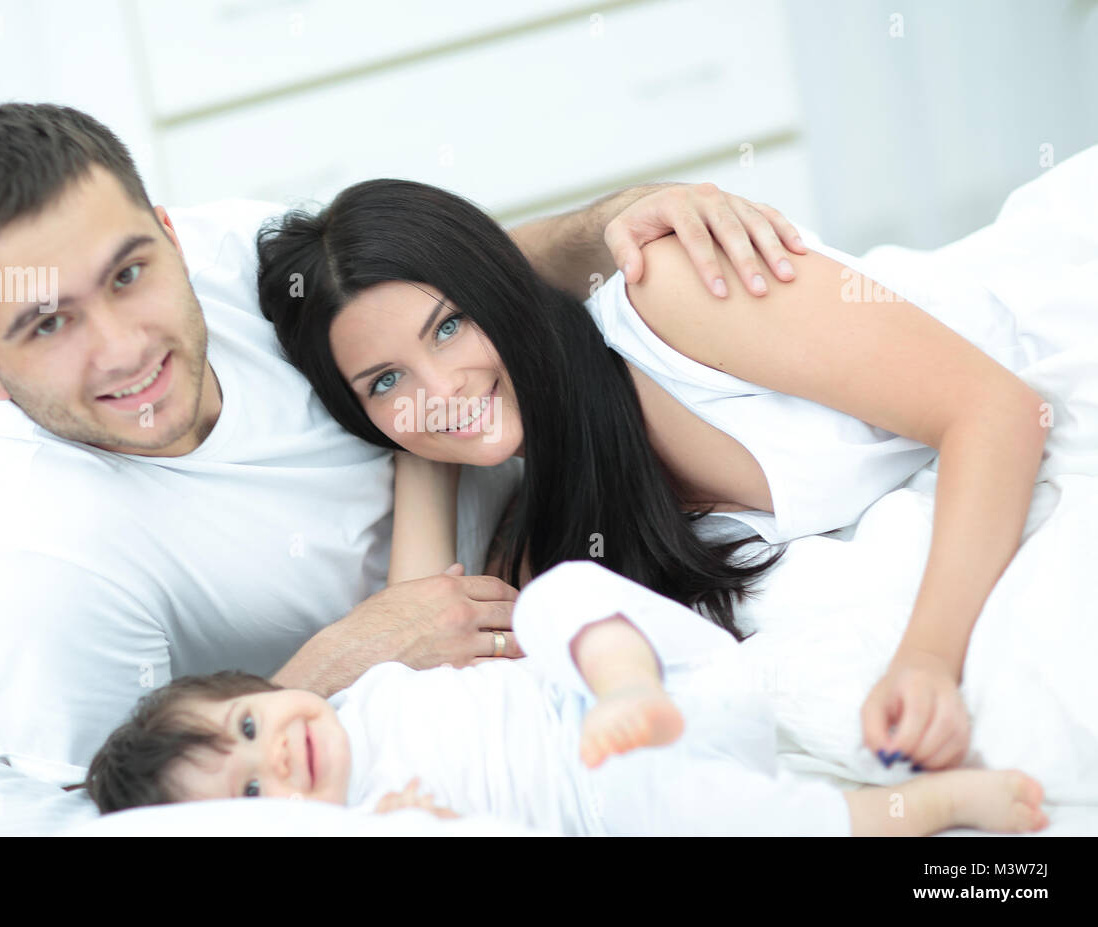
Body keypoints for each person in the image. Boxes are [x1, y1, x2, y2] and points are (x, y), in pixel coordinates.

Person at [0, 102, 805, 783]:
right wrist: (335, 664)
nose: (125, 345)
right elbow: (118, 804)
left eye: (130, 274)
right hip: (522, 634)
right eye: (48, 324)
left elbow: (430, 292)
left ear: (174, 239)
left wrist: (612, 220)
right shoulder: (49, 569)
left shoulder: (228, 253)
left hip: (591, 463)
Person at [255, 147, 1098, 775]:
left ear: (498, 288)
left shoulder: (668, 297)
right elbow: (428, 673)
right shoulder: (546, 536)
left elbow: (997, 409)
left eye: (449, 325)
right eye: (386, 378)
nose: (443, 384)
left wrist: (926, 660)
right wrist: (419, 447)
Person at [84, 561, 1049, 836]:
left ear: (264, 688)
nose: (275, 755)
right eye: (250, 797)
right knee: (663, 806)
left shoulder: (372, 690)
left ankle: (630, 689)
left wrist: (612, 687)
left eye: (249, 724)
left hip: (662, 689)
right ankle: (924, 808)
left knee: (556, 594)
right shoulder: (373, 818)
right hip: (630, 801)